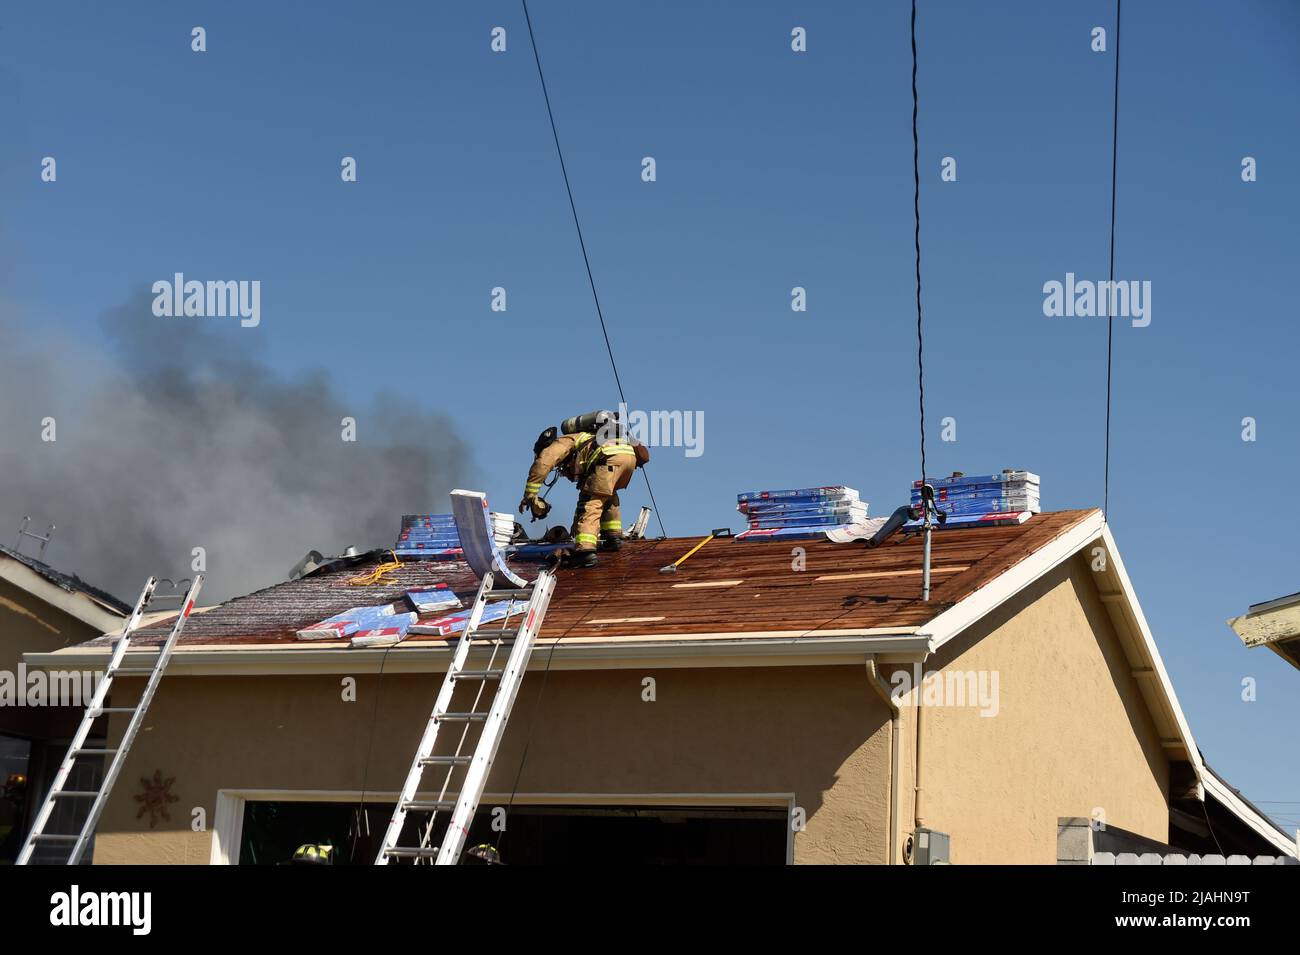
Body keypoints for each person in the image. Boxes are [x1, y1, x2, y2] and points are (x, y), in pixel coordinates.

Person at [520, 422, 649, 568]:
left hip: (608, 457)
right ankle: (612, 537)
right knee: (607, 496)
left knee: (590, 502)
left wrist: (529, 495)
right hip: (628, 457)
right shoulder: (591, 437)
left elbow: (542, 464)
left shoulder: (563, 442)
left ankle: (585, 553)